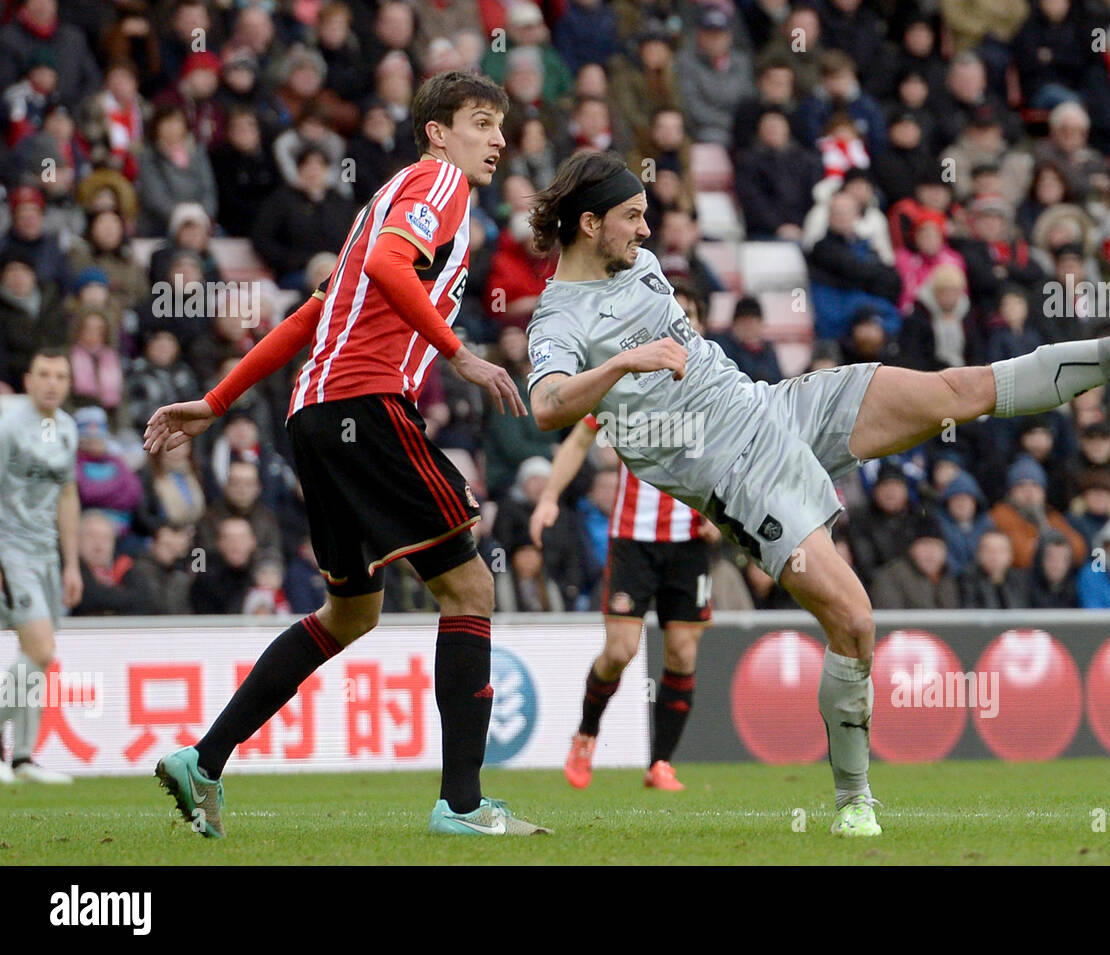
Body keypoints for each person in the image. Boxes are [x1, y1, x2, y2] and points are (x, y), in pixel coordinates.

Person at [523, 150, 1110, 838]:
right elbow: (548, 406)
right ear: (589, 224)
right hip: (735, 475)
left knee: (958, 388)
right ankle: (854, 797)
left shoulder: (635, 264)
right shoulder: (557, 320)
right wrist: (622, 363)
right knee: (854, 620)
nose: (647, 231)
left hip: (775, 407)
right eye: (632, 217)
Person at [143, 72, 548, 839]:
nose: (498, 139)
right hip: (365, 402)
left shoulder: (384, 199)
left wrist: (217, 400)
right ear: (437, 131)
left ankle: (204, 758)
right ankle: (462, 806)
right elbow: (394, 272)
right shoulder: (439, 184)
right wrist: (459, 353)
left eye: (500, 126)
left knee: (351, 611)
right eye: (482, 122)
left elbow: (313, 311)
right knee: (469, 587)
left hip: (314, 415)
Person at [531, 298, 719, 792]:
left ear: (699, 326)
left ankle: (660, 764)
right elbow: (577, 441)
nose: (681, 326)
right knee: (619, 651)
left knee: (681, 653)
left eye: (689, 317)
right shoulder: (626, 380)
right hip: (633, 539)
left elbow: (738, 456)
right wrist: (549, 497)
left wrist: (725, 515)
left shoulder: (717, 388)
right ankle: (586, 736)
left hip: (689, 543)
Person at [0, 349, 81, 784]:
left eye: (61, 376)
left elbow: (67, 496)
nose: (52, 383)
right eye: (44, 374)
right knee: (40, 649)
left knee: (36, 658)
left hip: (46, 553)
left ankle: (22, 758)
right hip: (9, 549)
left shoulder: (67, 428)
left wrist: (71, 564)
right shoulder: (7, 426)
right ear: (28, 380)